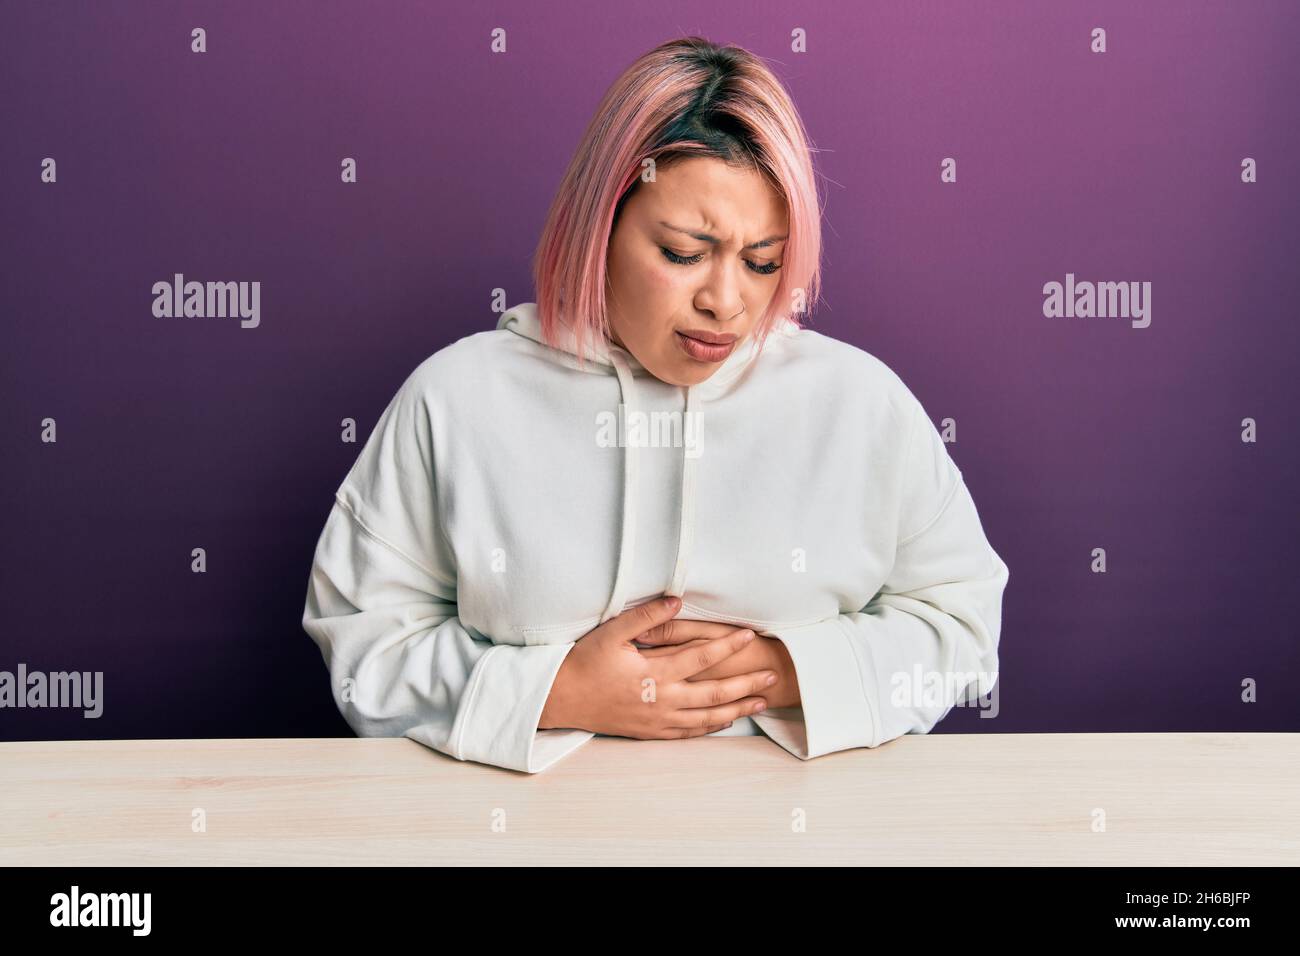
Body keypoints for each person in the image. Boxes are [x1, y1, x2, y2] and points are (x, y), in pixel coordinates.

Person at [301, 36, 1010, 773]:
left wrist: (782, 671)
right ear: (599, 225)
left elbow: (961, 622)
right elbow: (361, 638)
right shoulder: (455, 397)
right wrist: (555, 693)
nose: (726, 302)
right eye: (682, 252)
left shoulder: (860, 404)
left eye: (764, 261)